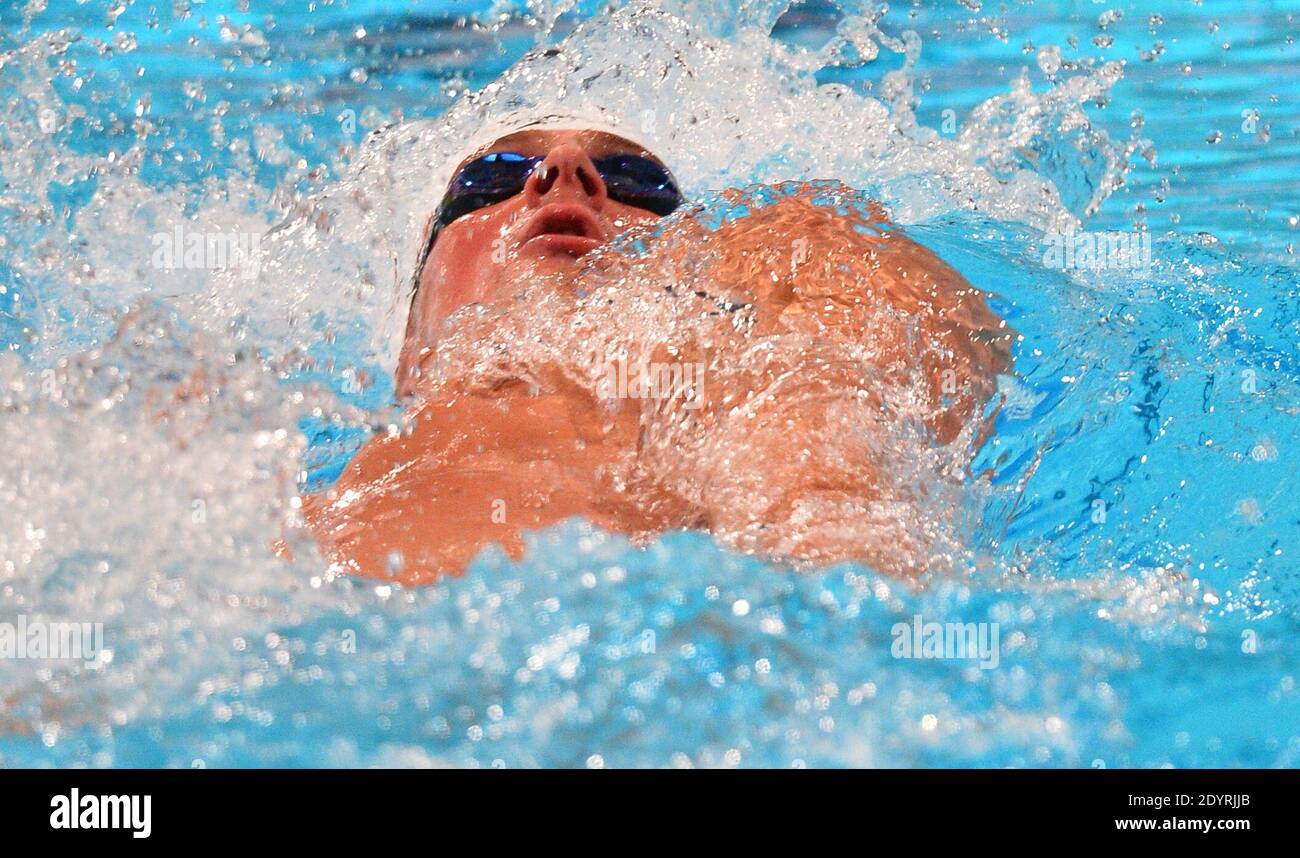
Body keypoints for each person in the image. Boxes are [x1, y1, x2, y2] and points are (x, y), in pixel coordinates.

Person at [304, 110, 1012, 584]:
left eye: (640, 185)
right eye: (490, 179)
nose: (565, 168)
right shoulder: (266, 503)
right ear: (407, 347)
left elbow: (848, 526)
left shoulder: (751, 398)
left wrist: (797, 238)